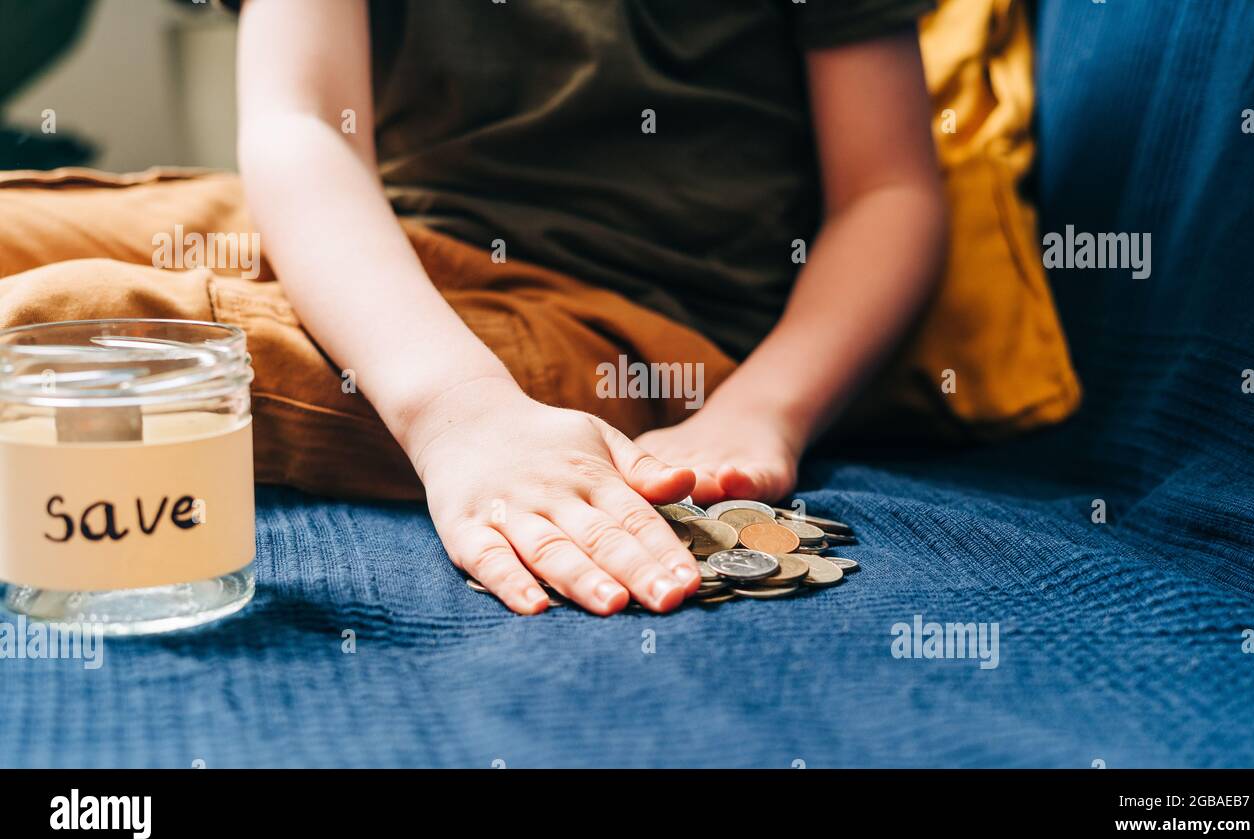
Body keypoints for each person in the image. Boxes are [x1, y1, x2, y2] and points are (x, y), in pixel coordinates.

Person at [0, 0, 945, 617]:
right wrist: (450, 401)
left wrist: (760, 407)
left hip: (615, 313)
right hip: (356, 234)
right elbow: (301, 125)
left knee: (58, 320)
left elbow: (888, 192)